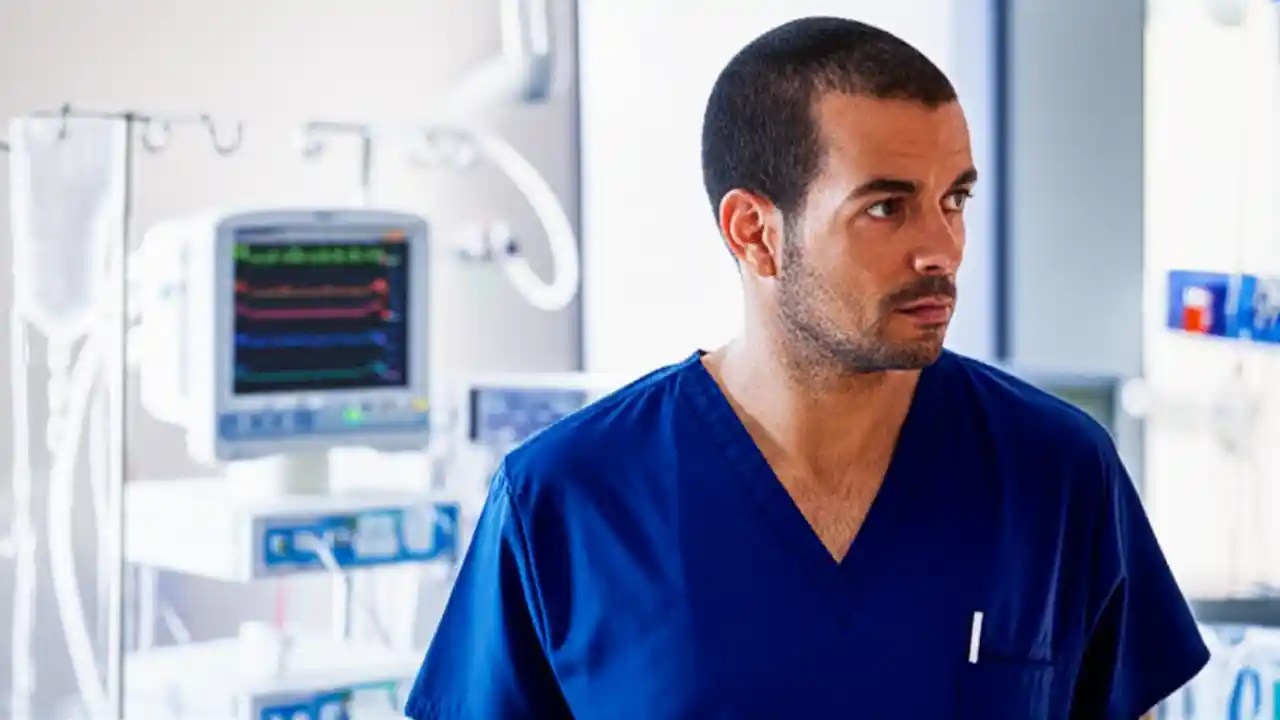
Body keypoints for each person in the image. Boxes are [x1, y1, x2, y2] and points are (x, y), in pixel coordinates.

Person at [405, 16, 1209, 719]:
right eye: (886, 208)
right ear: (755, 233)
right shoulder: (568, 500)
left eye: (954, 198)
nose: (942, 248)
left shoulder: (1059, 472)